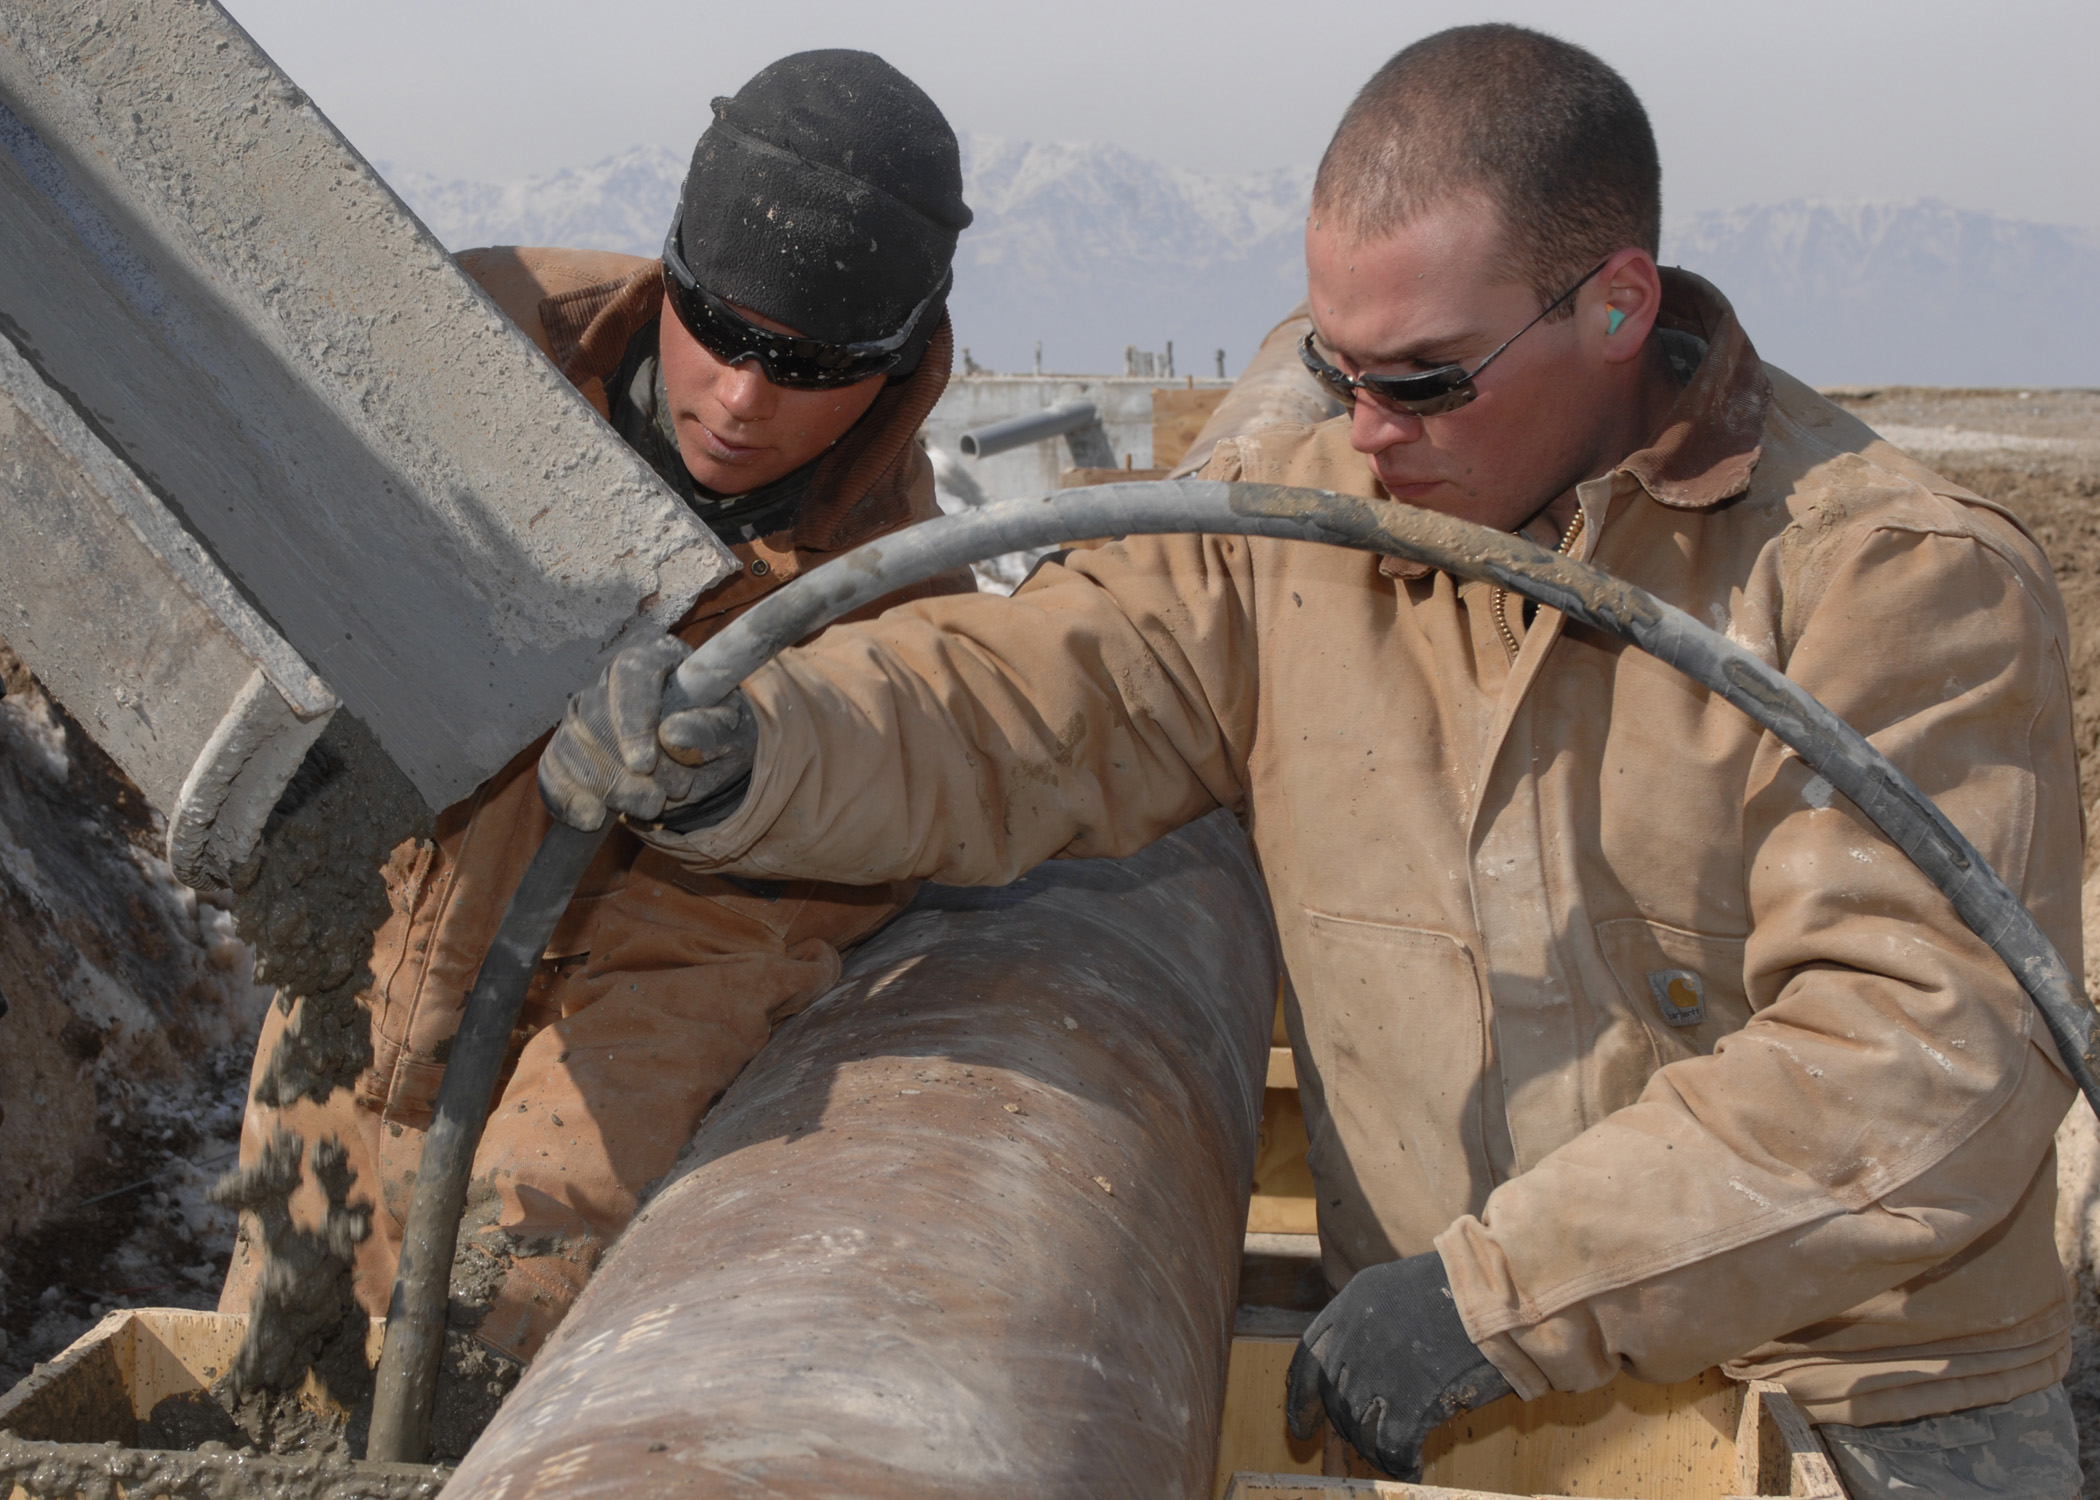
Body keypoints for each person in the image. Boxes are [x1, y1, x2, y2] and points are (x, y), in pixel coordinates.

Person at [541, 25, 2086, 1500]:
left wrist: (1500, 1296)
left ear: (1620, 308)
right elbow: (1024, 701)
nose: (1364, 434)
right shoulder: (1307, 525)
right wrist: (758, 745)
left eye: (1419, 379)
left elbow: (1915, 1060)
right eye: (1338, 372)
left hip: (1861, 1403)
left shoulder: (1888, 584)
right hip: (1425, 1366)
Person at [220, 49, 975, 1367]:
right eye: (722, 331)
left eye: (808, 365)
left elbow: (700, 971)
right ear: (671, 267)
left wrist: (516, 1256)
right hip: (346, 994)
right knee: (269, 1358)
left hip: (570, 1083)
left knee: (477, 1370)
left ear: (902, 360)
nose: (740, 401)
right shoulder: (478, 349)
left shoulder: (888, 627)